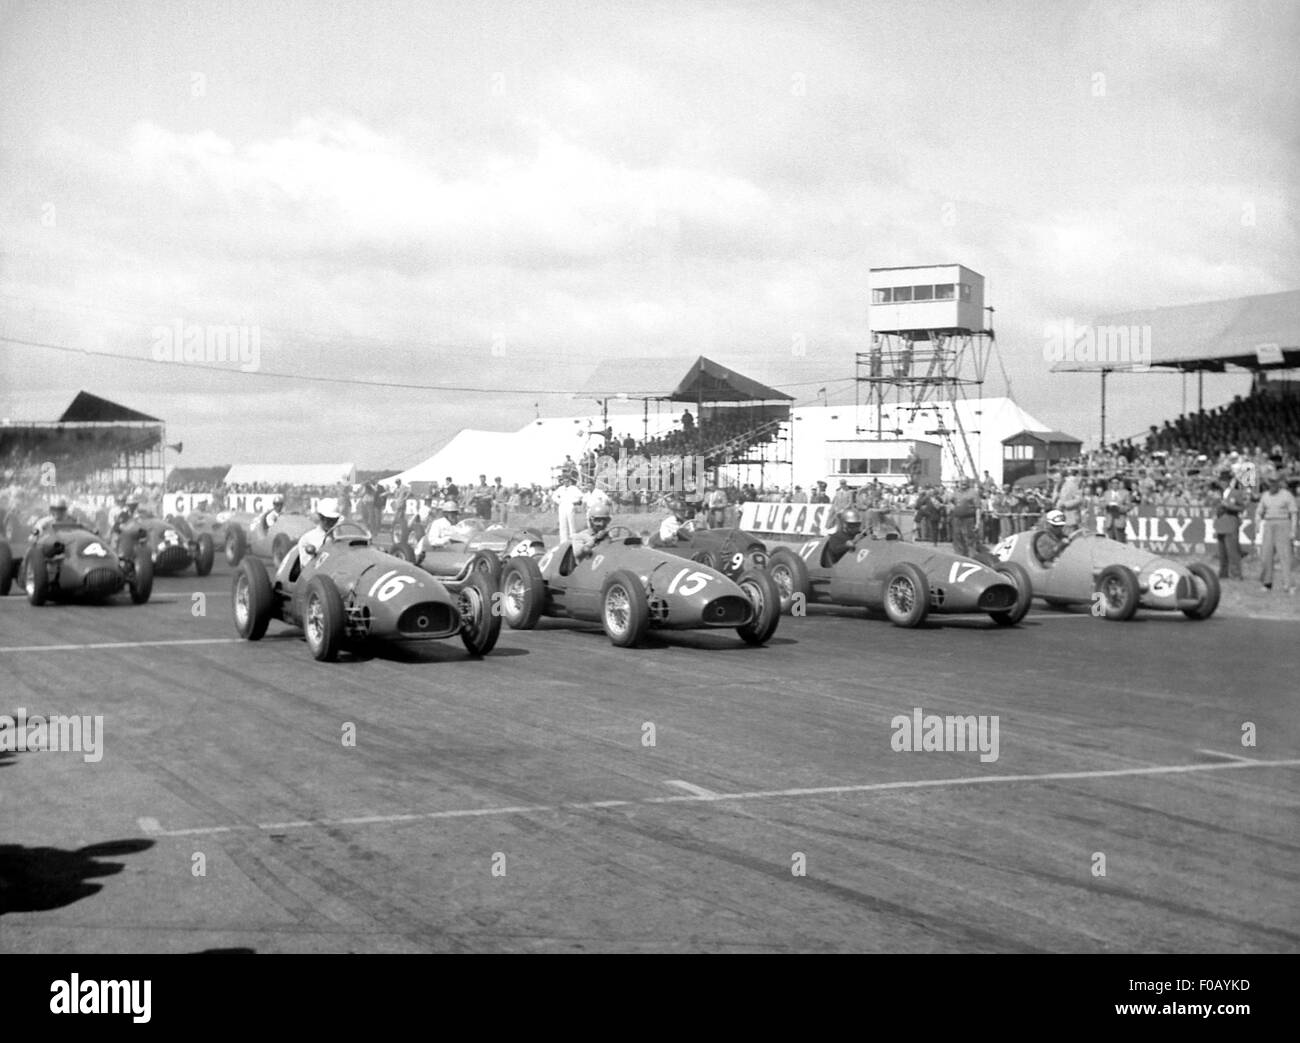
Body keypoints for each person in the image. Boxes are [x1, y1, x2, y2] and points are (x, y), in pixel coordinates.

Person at [1255, 474, 1297, 593]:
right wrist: (1257, 523)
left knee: (1285, 556)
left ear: (1279, 483)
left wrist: (1293, 530)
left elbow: (1293, 513)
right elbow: (1259, 511)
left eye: (1275, 482)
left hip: (1283, 523)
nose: (1272, 484)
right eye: (1270, 482)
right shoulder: (1265, 495)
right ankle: (1267, 583)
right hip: (1269, 524)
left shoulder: (1286, 495)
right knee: (1266, 555)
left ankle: (1288, 585)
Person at [1213, 471, 1246, 580]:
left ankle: (1236, 574)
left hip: (1231, 523)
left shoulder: (1236, 493)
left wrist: (1229, 506)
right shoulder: (1218, 494)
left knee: (1232, 551)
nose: (1222, 483)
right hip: (1220, 524)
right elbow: (1214, 509)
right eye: (1221, 481)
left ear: (1228, 482)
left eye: (1225, 481)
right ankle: (1223, 573)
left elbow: (1242, 508)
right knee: (1221, 552)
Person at [949, 477, 980, 557]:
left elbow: (978, 508)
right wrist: (951, 505)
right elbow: (950, 501)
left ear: (968, 483)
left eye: (965, 482)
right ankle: (959, 556)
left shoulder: (973, 493)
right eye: (962, 482)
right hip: (957, 519)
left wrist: (978, 522)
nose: (963, 484)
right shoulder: (956, 492)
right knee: (957, 537)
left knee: (969, 538)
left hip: (969, 519)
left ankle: (972, 557)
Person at [1100, 477, 1132, 542]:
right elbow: (1101, 504)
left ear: (1119, 484)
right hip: (1109, 521)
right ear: (1111, 484)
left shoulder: (1125, 493)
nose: (1115, 484)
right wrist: (1106, 505)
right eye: (1113, 483)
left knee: (1120, 542)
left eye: (1116, 483)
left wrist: (1119, 507)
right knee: (1110, 543)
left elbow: (1128, 506)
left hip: (1119, 520)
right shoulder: (1106, 493)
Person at [555, 473, 584, 543]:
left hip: (570, 506)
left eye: (567, 481)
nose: (565, 482)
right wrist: (559, 501)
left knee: (571, 523)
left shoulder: (574, 488)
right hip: (562, 506)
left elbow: (580, 496)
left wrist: (573, 501)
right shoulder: (560, 488)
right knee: (562, 524)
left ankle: (573, 540)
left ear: (569, 481)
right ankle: (563, 541)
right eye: (564, 481)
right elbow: (554, 496)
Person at [390, 480, 410, 544]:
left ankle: (401, 530)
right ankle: (396, 529)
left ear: (400, 482)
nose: (397, 483)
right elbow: (395, 495)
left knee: (400, 516)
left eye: (398, 482)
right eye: (396, 482)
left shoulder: (403, 487)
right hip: (397, 503)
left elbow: (409, 492)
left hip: (402, 503)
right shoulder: (397, 488)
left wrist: (405, 498)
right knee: (397, 517)